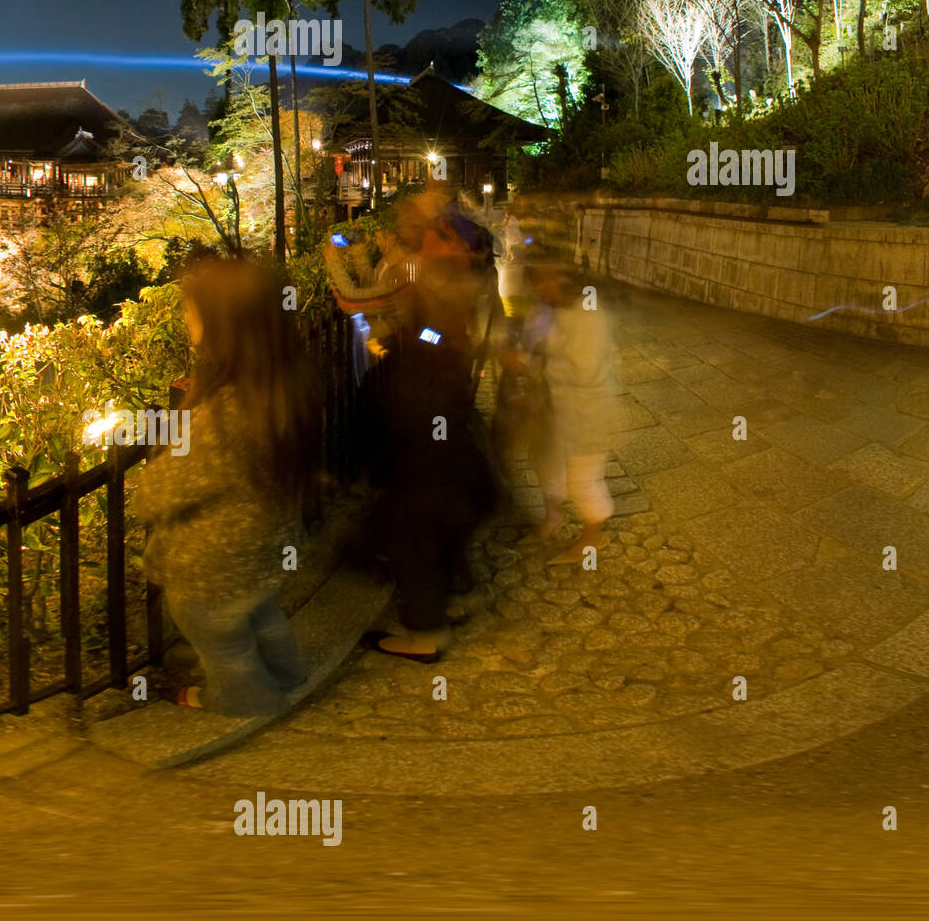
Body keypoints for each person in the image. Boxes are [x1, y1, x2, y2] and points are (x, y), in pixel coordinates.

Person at [130, 255, 320, 717]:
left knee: (223, 642)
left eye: (191, 310)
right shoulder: (283, 388)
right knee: (264, 614)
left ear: (222, 325)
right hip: (269, 550)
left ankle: (244, 698)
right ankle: (289, 674)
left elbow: (157, 494)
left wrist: (147, 481)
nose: (185, 318)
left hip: (215, 569)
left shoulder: (217, 418)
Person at [355, 191, 501, 664]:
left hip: (429, 402)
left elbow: (439, 333)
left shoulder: (450, 280)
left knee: (416, 518)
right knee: (441, 501)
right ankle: (456, 592)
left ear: (456, 244)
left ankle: (426, 634)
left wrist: (411, 342)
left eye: (438, 230)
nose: (427, 234)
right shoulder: (455, 273)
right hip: (440, 402)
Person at [527, 259, 624, 551]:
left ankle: (592, 541)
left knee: (584, 479)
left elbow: (584, 369)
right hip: (567, 411)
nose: (542, 289)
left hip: (588, 414)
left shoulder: (588, 315)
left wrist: (538, 366)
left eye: (548, 281)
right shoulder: (564, 310)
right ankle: (559, 521)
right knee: (559, 467)